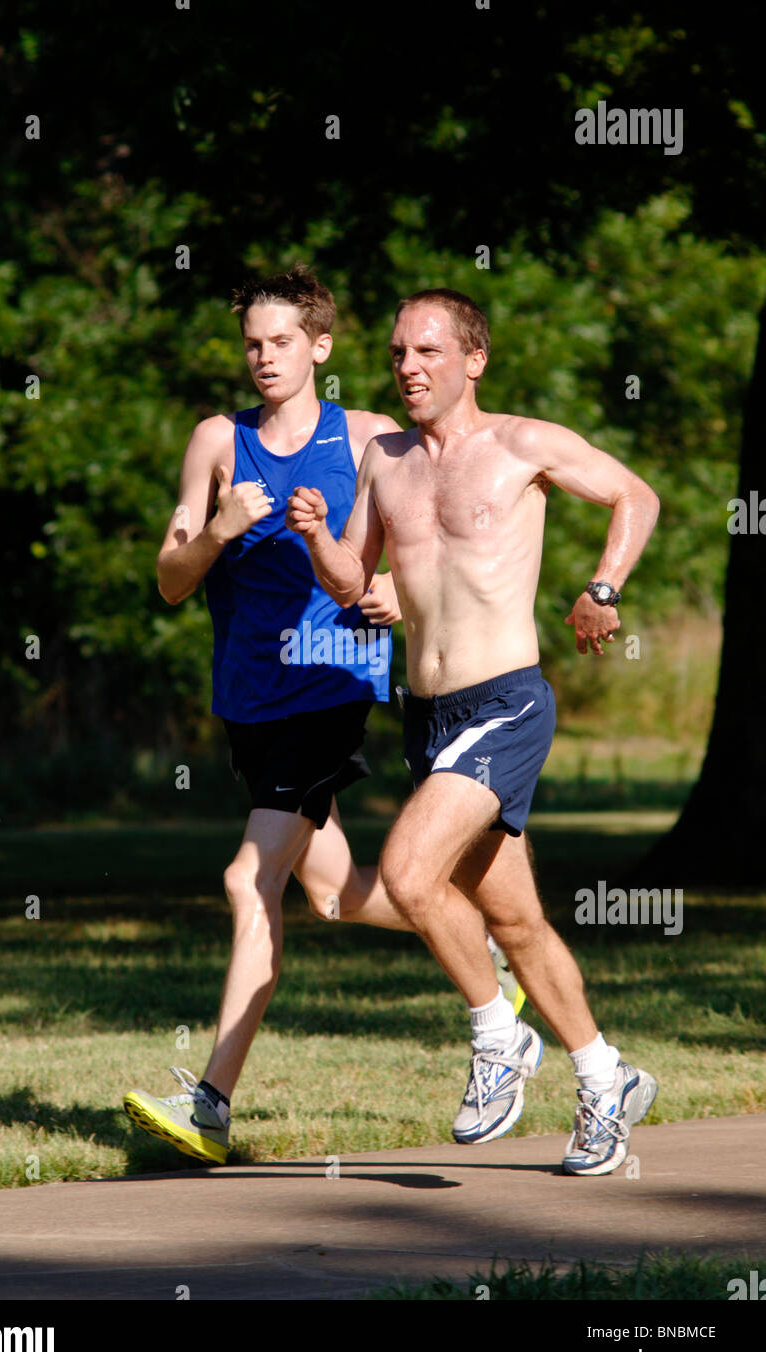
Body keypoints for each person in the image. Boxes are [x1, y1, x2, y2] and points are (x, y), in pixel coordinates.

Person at [122, 268, 519, 1166]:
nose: (264, 358)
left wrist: (384, 590)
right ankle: (485, 951)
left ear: (320, 348)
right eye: (252, 344)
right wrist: (218, 529)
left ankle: (212, 1104)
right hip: (249, 697)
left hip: (332, 682)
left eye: (281, 342)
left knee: (245, 879)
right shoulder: (217, 441)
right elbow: (170, 579)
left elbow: (432, 547)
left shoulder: (372, 438)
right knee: (335, 894)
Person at [286, 288, 661, 1176]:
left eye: (427, 353)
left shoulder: (522, 445)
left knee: (411, 876)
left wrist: (602, 588)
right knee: (517, 921)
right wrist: (313, 538)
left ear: (472, 360)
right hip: (429, 715)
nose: (408, 369)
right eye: (397, 356)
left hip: (505, 702)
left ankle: (499, 1038)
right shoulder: (383, 459)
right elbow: (353, 580)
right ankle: (603, 1076)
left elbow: (633, 497)